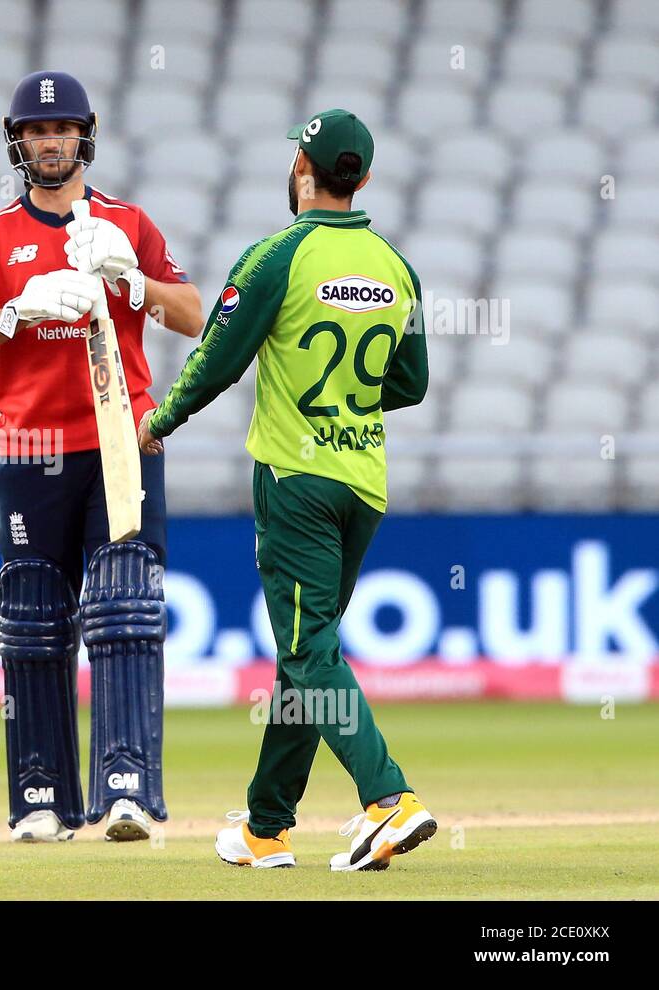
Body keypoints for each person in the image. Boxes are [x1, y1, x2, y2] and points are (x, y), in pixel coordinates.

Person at [141, 109, 436, 871]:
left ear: (303, 171)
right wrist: (344, 397)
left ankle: (389, 799)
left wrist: (161, 419)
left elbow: (216, 358)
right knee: (305, 655)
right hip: (364, 484)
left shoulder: (278, 254)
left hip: (297, 480)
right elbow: (411, 384)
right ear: (363, 177)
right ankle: (266, 827)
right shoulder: (394, 265)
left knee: (307, 649)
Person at [0, 71, 203, 842]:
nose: (49, 141)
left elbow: (191, 315)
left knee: (126, 608)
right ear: (16, 141)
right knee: (32, 622)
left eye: (61, 129)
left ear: (84, 135)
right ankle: (40, 798)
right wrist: (18, 313)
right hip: (30, 446)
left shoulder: (129, 222)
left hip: (123, 437)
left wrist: (132, 276)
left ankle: (127, 789)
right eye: (34, 130)